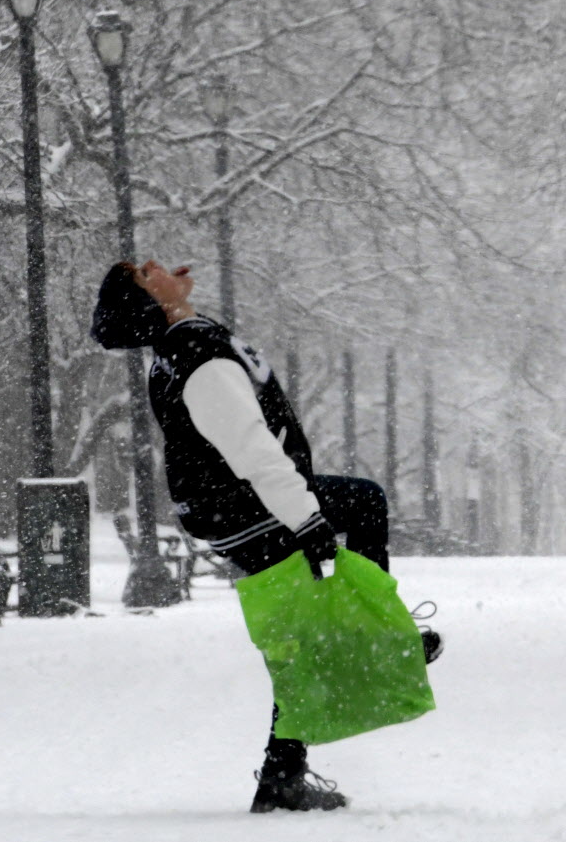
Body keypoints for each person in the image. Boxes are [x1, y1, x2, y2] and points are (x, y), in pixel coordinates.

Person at [90, 259, 442, 813]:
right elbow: (252, 448)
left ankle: (286, 771)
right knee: (361, 508)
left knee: (304, 628)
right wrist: (307, 520)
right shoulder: (197, 358)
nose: (156, 263)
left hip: (223, 506)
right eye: (144, 272)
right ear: (150, 303)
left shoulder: (187, 343)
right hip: (243, 505)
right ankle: (384, 642)